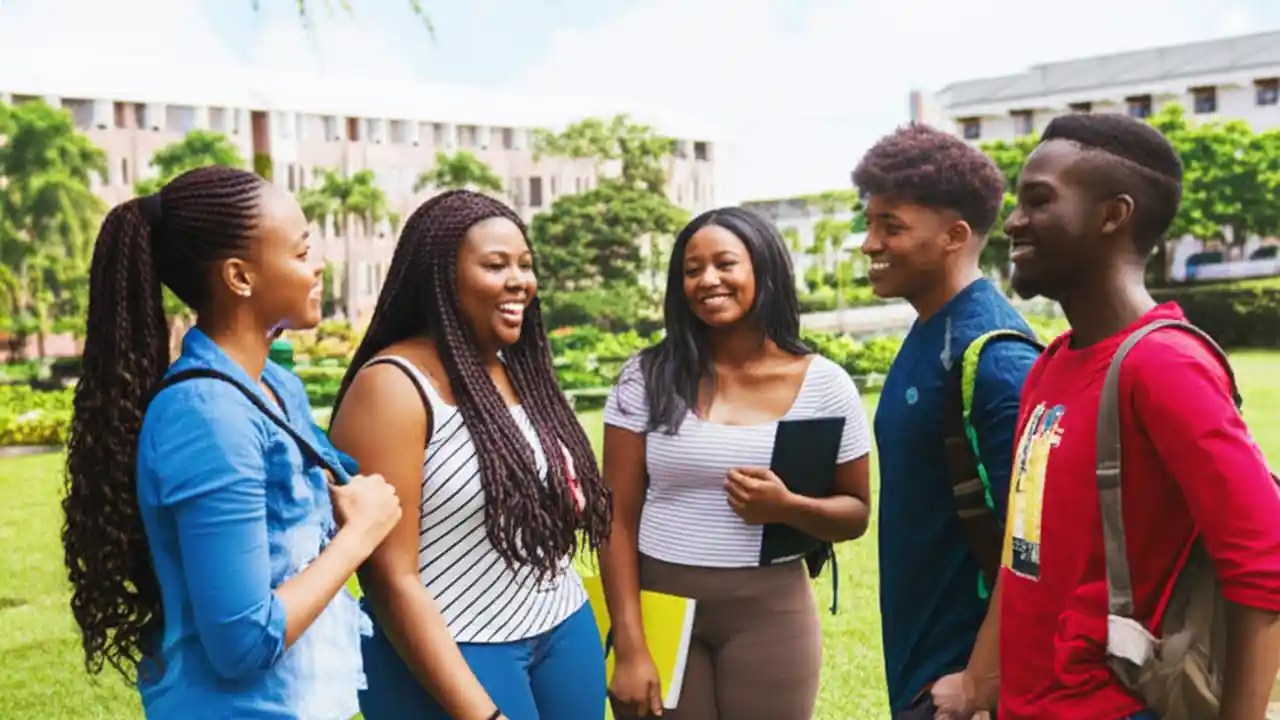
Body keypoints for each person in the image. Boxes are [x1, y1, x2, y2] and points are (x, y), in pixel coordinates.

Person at [62, 166, 402, 719]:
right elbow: (241, 643)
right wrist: (359, 533)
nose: (318, 265)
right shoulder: (205, 416)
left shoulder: (274, 385)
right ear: (240, 277)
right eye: (300, 252)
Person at [998, 112, 1280, 720]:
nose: (1014, 221)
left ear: (1112, 215)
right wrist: (980, 681)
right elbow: (1024, 553)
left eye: (1038, 201)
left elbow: (1265, 564)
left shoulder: (1164, 365)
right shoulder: (1049, 364)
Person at [327, 190, 612, 720]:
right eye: (496, 264)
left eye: (525, 266)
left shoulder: (516, 367)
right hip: (459, 646)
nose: (519, 282)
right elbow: (390, 578)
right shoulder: (392, 387)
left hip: (562, 626)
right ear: (440, 278)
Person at [600, 207, 873, 720]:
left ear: (763, 271)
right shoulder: (646, 378)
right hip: (662, 603)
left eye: (725, 263)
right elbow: (613, 518)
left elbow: (856, 512)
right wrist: (630, 645)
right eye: (691, 269)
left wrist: (787, 506)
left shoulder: (823, 385)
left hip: (769, 613)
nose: (708, 280)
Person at [850, 124, 1041, 719]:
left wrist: (981, 681)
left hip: (963, 686)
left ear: (955, 236)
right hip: (923, 667)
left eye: (892, 226)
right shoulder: (931, 327)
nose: (868, 242)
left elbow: (1037, 542)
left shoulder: (996, 355)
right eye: (871, 222)